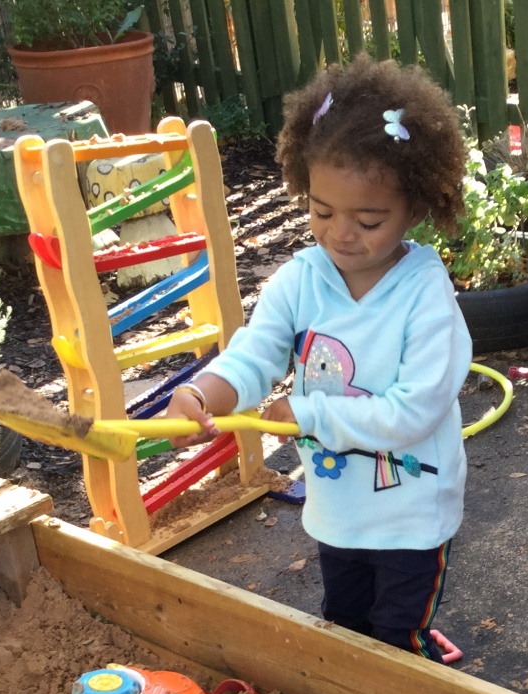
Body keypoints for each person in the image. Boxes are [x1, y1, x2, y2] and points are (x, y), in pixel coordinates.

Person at [164, 56, 470, 660]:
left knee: (395, 635)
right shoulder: (299, 281)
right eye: (322, 211)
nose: (341, 234)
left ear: (415, 209)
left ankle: (409, 669)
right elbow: (255, 354)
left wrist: (309, 415)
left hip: (412, 511)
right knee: (345, 621)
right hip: (338, 508)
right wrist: (205, 394)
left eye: (369, 219)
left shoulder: (425, 295)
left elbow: (414, 413)